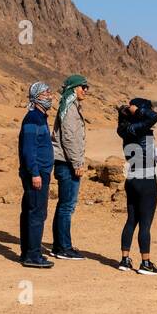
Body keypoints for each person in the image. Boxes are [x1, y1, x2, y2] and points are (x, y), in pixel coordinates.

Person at [116, 98, 157, 275]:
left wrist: (130, 111)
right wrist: (137, 110)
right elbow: (155, 116)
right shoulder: (140, 128)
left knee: (131, 220)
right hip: (147, 179)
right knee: (145, 225)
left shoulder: (124, 129)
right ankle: (146, 263)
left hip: (132, 178)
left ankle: (125, 260)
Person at [51, 73, 90, 260]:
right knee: (67, 206)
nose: (86, 91)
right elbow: (69, 138)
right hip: (67, 164)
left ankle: (59, 246)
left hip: (66, 162)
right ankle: (63, 248)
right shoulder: (69, 109)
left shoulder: (71, 107)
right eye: (83, 87)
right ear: (74, 89)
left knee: (64, 206)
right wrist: (77, 163)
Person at [19, 82, 56, 268]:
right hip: (36, 173)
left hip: (40, 172)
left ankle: (27, 251)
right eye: (45, 93)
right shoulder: (33, 118)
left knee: (30, 211)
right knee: (36, 213)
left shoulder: (40, 117)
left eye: (49, 92)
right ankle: (33, 255)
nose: (50, 96)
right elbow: (29, 149)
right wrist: (35, 173)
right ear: (36, 97)